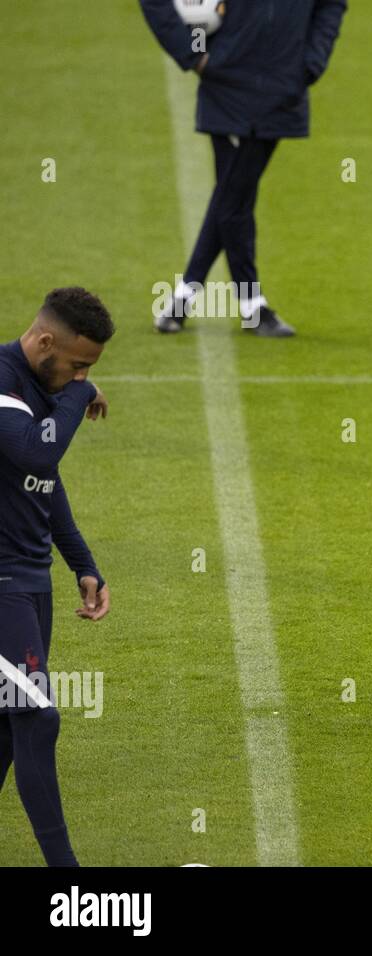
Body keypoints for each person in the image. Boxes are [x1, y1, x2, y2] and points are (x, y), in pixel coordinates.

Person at [141, 0, 348, 337]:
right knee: (235, 197)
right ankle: (252, 307)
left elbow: (331, 5)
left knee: (233, 194)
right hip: (229, 85)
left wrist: (311, 62)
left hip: (284, 87)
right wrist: (194, 54)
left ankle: (185, 297)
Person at [0, 288, 114, 867]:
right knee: (36, 718)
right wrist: (80, 395)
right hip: (2, 592)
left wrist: (82, 563)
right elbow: (37, 455)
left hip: (28, 585)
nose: (79, 377)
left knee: (5, 730)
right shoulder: (2, 382)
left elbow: (44, 485)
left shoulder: (40, 387)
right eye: (77, 363)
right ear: (45, 342)